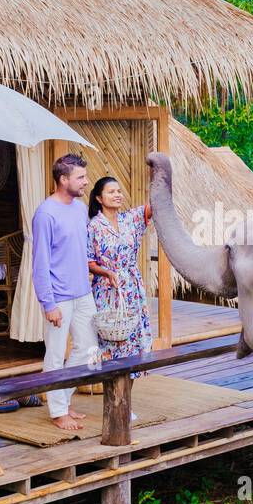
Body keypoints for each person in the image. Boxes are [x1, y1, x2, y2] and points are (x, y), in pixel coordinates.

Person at [31, 153, 97, 433]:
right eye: (80, 177)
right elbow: (40, 264)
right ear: (63, 179)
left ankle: (64, 399)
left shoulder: (80, 208)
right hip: (57, 296)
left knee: (89, 348)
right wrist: (49, 304)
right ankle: (58, 412)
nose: (86, 182)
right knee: (56, 354)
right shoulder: (45, 214)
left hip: (83, 292)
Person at [86, 177, 153, 414]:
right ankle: (113, 404)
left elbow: (153, 206)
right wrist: (106, 271)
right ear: (99, 198)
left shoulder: (130, 219)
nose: (117, 195)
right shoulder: (94, 226)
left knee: (132, 347)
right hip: (108, 291)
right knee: (112, 347)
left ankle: (124, 404)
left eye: (118, 191)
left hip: (132, 290)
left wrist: (160, 175)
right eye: (111, 191)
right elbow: (89, 261)